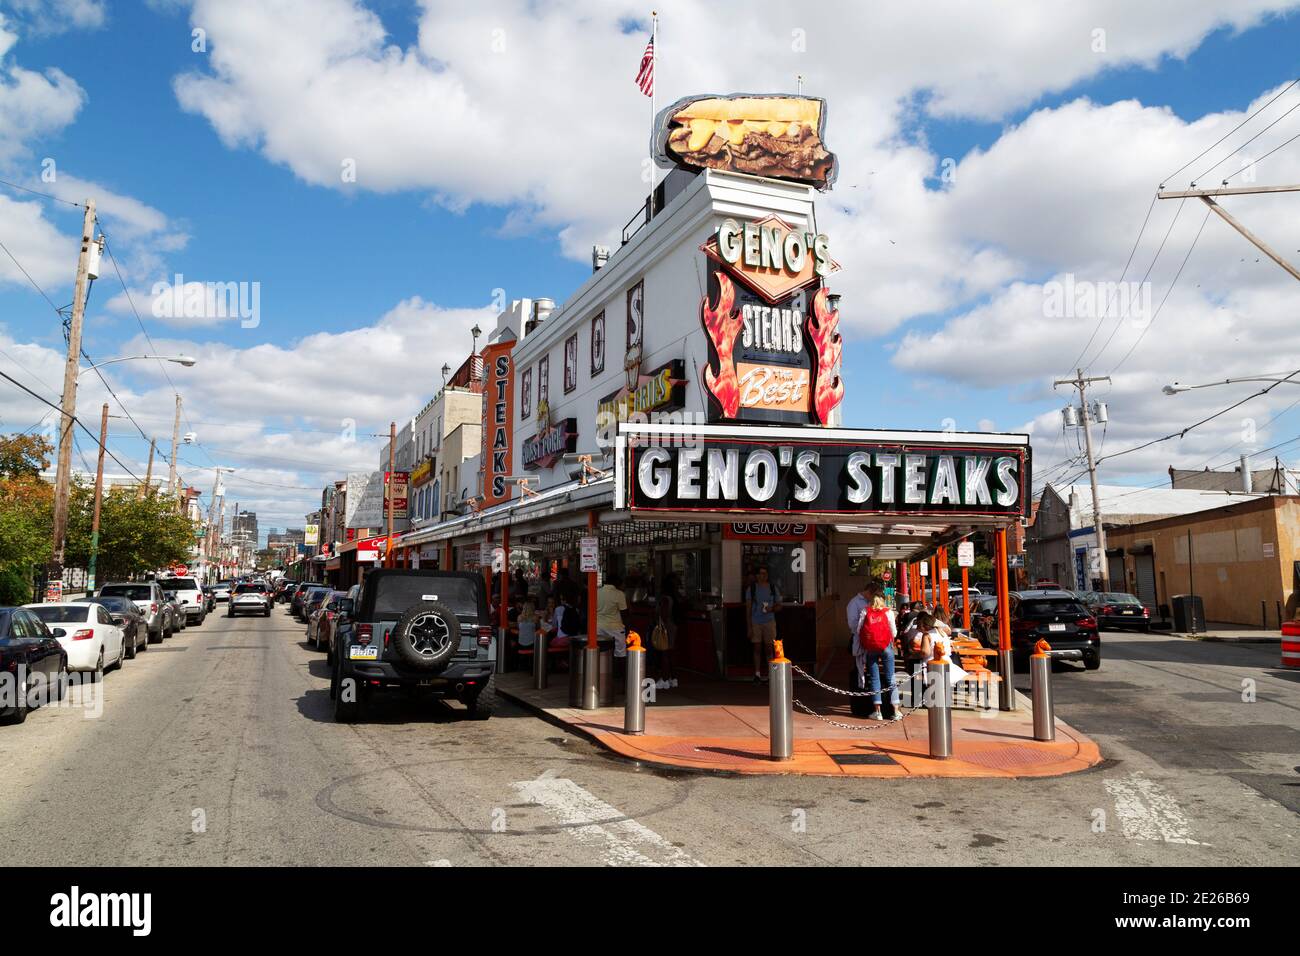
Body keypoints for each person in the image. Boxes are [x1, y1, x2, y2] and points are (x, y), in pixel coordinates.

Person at [854, 588, 901, 720]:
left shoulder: (865, 610)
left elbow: (859, 630)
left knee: (874, 678)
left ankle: (877, 712)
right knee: (891, 677)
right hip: (886, 647)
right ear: (883, 600)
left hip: (871, 649)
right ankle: (896, 711)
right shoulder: (888, 612)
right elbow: (894, 632)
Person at [746, 565, 782, 682]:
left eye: (765, 574)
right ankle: (757, 674)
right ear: (757, 576)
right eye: (761, 573)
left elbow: (779, 605)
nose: (763, 576)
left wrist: (771, 609)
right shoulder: (751, 589)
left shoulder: (772, 588)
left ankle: (771, 675)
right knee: (757, 647)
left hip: (769, 622)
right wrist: (749, 627)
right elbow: (748, 610)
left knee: (768, 648)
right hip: (756, 622)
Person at [652, 574, 678, 689]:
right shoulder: (675, 597)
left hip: (666, 627)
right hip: (672, 626)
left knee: (664, 653)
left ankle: (665, 679)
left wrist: (660, 625)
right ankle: (673, 678)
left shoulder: (665, 598)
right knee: (670, 653)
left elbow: (664, 614)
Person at [597, 571, 629, 660]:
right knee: (620, 653)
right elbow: (624, 613)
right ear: (617, 583)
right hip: (615, 628)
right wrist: (628, 627)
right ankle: (617, 673)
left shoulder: (597, 592)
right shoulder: (619, 594)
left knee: (600, 652)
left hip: (598, 627)